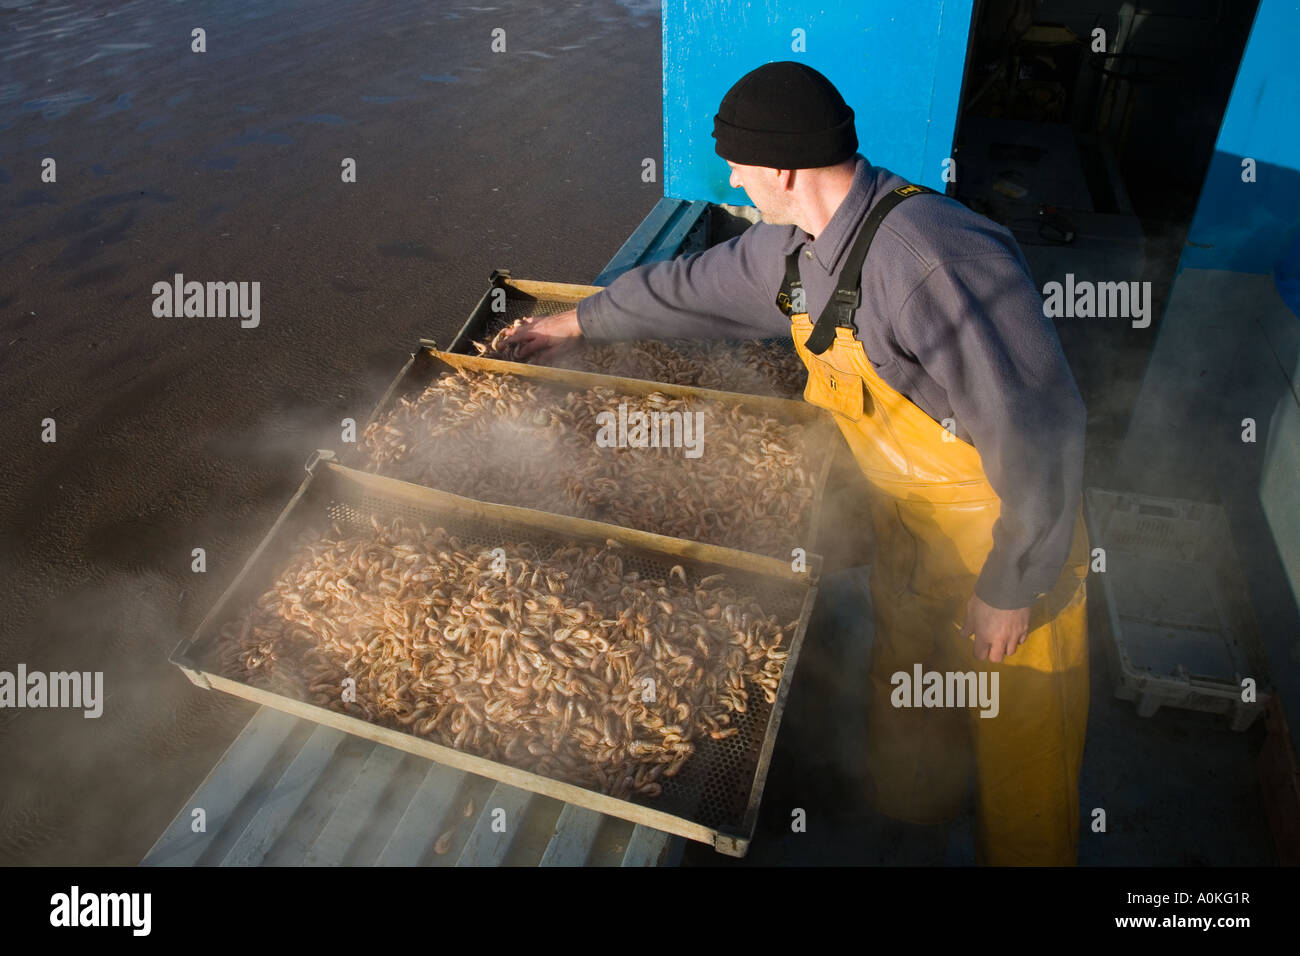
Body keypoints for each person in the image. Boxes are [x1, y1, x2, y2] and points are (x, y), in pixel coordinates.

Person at [505, 61, 1091, 866]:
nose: (734, 183)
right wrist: (577, 323)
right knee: (912, 694)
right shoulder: (798, 254)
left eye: (739, 168)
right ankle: (911, 828)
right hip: (913, 532)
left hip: (1006, 533)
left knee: (1023, 740)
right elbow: (687, 289)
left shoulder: (933, 258)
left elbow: (1041, 426)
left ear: (782, 167)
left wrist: (1012, 583)